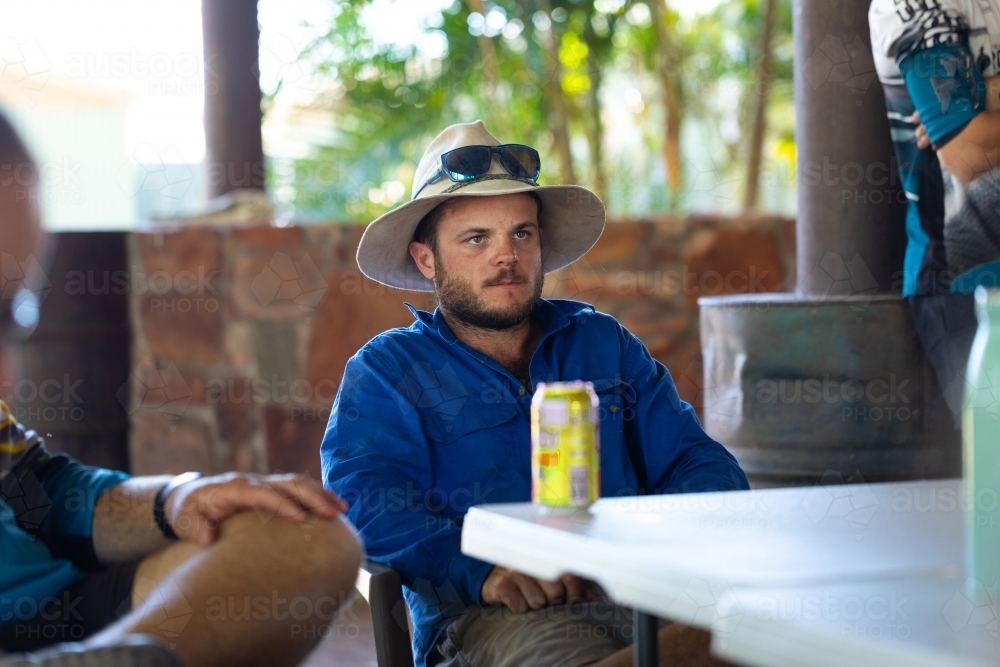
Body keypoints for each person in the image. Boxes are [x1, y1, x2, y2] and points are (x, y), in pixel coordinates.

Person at [321, 121, 749, 667]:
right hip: (491, 617)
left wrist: (660, 551)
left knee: (776, 627)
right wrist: (484, 572)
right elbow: (366, 504)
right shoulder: (387, 371)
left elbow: (699, 461)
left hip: (641, 592)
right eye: (477, 239)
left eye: (522, 233)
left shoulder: (603, 343)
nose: (508, 257)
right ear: (428, 260)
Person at [0, 112, 363, 667]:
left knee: (309, 537)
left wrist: (177, 498)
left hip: (67, 611)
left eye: (11, 316)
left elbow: (42, 491)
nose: (7, 377)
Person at [870, 0, 1000, 418]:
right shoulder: (911, 5)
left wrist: (987, 97)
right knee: (993, 461)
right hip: (966, 280)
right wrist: (975, 121)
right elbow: (967, 151)